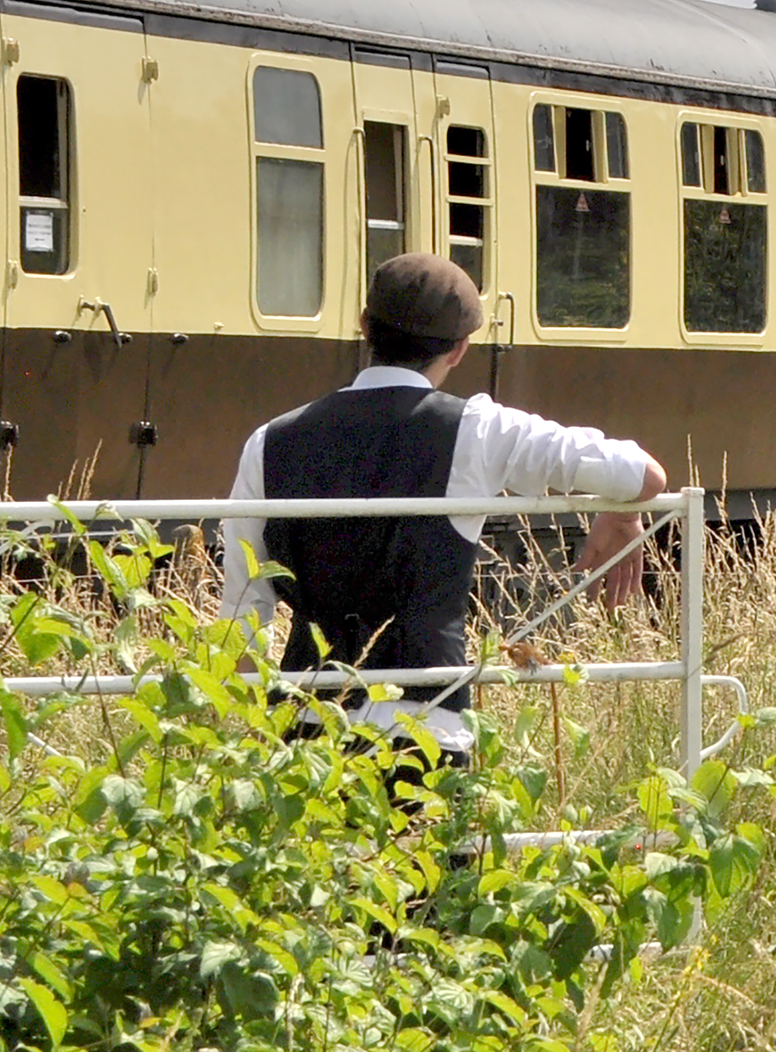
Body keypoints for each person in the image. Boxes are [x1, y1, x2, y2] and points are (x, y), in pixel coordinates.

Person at [219, 253, 666, 761]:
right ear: (459, 349)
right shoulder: (478, 430)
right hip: (431, 729)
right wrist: (623, 511)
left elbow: (242, 616)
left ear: (365, 327)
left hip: (307, 732)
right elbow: (646, 474)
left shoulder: (269, 442)